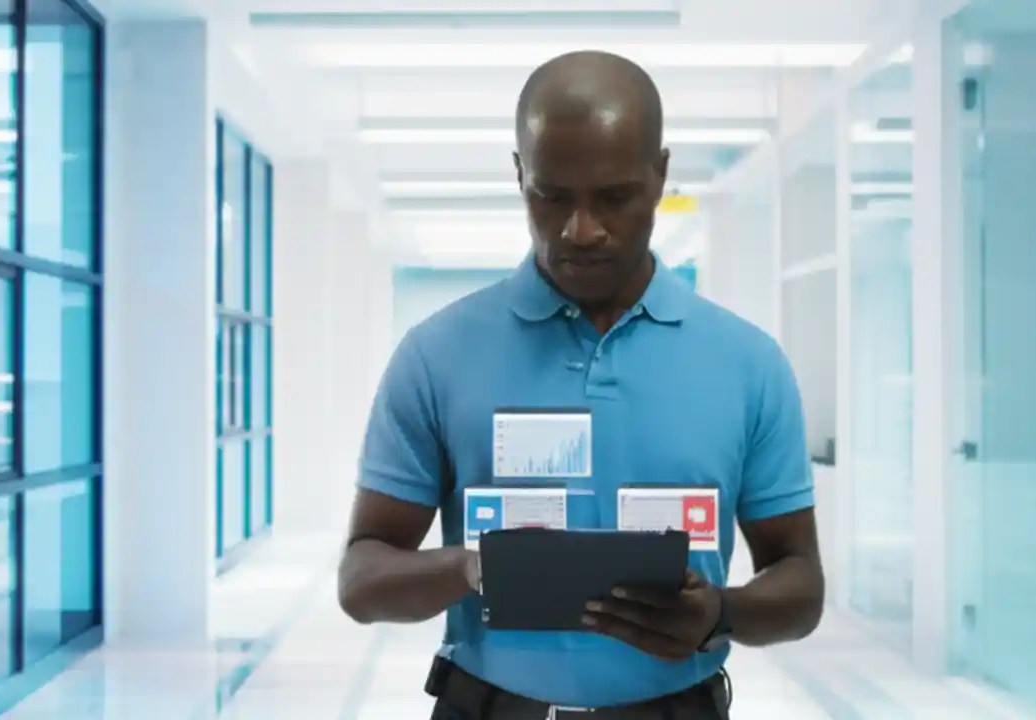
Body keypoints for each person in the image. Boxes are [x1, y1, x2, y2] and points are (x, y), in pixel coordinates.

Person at [336, 50, 824, 719]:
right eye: (552, 196)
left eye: (614, 197)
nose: (581, 230)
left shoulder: (748, 364)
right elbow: (361, 579)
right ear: (520, 175)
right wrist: (470, 567)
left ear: (660, 175)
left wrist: (720, 613)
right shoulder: (436, 355)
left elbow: (801, 583)